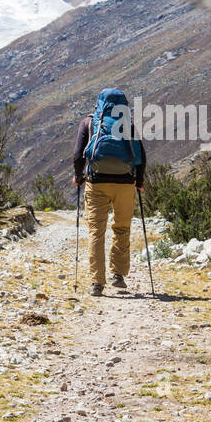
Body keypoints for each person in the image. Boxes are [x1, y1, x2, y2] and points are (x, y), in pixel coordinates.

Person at [72, 88, 146, 296]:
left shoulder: (89, 123)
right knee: (122, 228)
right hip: (125, 184)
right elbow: (141, 155)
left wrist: (78, 177)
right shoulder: (128, 124)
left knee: (96, 231)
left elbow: (78, 155)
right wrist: (139, 181)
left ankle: (97, 282)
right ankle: (118, 275)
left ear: (99, 104)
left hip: (97, 183)